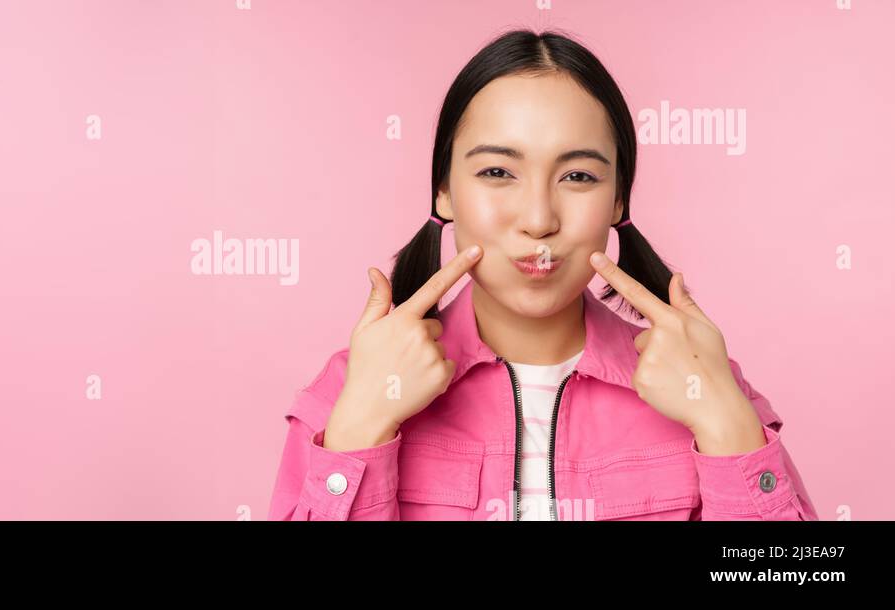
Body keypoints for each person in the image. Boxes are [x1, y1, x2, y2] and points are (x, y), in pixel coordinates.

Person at [267, 28, 817, 521]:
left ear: (619, 197)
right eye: (497, 172)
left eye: (577, 175)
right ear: (443, 190)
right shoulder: (348, 391)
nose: (538, 220)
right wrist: (360, 429)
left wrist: (726, 427)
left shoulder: (707, 381)